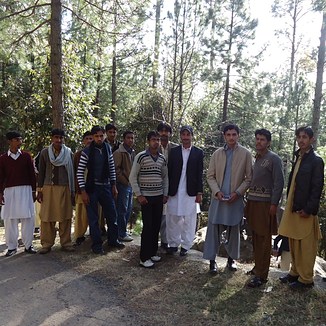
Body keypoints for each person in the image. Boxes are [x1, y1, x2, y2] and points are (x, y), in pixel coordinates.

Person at [278, 126, 324, 289]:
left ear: (311, 139)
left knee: (306, 244)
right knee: (294, 241)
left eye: (304, 137)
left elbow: (317, 187)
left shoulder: (316, 160)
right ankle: (295, 273)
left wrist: (309, 209)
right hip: (294, 206)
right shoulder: (299, 157)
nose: (301, 140)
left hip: (306, 210)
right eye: (299, 137)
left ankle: (306, 279)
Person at [203, 124, 252, 274]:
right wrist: (217, 192)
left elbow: (249, 178)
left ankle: (231, 260)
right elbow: (210, 176)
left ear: (238, 135)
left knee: (234, 229)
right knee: (213, 228)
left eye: (234, 134)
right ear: (224, 136)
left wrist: (237, 193)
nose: (231, 137)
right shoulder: (217, 154)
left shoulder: (245, 154)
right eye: (228, 134)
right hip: (218, 199)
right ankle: (212, 262)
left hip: (234, 198)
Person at [245, 129, 284, 287]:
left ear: (268, 142)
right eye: (257, 139)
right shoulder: (257, 158)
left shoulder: (273, 159)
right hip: (253, 202)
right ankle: (257, 268)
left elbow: (279, 182)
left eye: (262, 139)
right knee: (255, 237)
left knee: (264, 239)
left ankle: (262, 276)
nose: (258, 141)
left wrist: (274, 204)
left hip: (265, 204)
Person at [77, 125, 125, 254]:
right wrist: (83, 191)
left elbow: (111, 168)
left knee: (112, 214)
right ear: (92, 137)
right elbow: (80, 173)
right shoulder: (86, 152)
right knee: (93, 218)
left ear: (104, 136)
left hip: (106, 186)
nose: (99, 138)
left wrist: (114, 185)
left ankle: (113, 240)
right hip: (92, 188)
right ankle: (97, 245)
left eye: (101, 136)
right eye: (96, 136)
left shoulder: (107, 149)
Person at [129, 131, 168, 268]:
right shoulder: (141, 157)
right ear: (148, 141)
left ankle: (152, 253)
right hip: (146, 198)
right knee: (148, 227)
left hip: (158, 197)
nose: (156, 142)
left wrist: (165, 193)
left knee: (156, 226)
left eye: (158, 139)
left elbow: (165, 177)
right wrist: (139, 195)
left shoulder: (162, 158)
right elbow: (132, 177)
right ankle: (143, 257)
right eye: (153, 139)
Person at [166, 125, 204, 257]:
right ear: (180, 136)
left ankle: (186, 245)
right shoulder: (174, 151)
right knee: (173, 217)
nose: (186, 137)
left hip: (191, 191)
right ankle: (173, 244)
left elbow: (200, 174)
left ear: (192, 136)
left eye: (188, 135)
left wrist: (199, 192)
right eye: (183, 134)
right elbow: (169, 172)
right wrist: (166, 191)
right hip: (175, 190)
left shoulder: (198, 152)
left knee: (189, 219)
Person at [37, 129, 75, 254]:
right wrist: (40, 190)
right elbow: (41, 172)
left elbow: (72, 172)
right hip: (48, 188)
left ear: (64, 139)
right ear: (52, 138)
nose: (58, 140)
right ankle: (46, 244)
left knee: (65, 217)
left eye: (61, 138)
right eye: (56, 137)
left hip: (65, 188)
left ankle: (66, 243)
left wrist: (73, 191)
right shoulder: (44, 153)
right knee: (47, 217)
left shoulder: (68, 153)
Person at [0, 131, 37, 256]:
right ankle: (11, 247)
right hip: (9, 192)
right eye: (17, 139)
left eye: (20, 139)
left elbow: (32, 175)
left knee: (28, 217)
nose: (19, 142)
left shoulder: (26, 156)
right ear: (10, 141)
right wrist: (1, 193)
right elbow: (0, 178)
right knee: (10, 219)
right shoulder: (3, 159)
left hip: (26, 190)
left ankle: (28, 245)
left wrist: (33, 190)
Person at [157, 122, 178, 250]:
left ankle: (167, 241)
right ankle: (157, 240)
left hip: (172, 187)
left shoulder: (175, 149)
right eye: (161, 131)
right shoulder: (153, 148)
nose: (164, 134)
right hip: (156, 186)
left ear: (170, 133)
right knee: (158, 214)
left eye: (166, 131)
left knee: (170, 215)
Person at [113, 130, 136, 242]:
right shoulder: (119, 152)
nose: (130, 140)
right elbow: (116, 170)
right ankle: (120, 233)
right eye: (128, 138)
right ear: (124, 139)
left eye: (132, 138)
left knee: (128, 209)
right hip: (122, 185)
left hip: (130, 185)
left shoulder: (132, 152)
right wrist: (125, 181)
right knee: (122, 209)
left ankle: (123, 231)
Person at [73, 131, 93, 246]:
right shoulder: (78, 155)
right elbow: (76, 172)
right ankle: (80, 235)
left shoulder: (97, 152)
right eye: (87, 138)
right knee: (81, 214)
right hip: (82, 189)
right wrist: (78, 189)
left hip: (95, 189)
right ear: (83, 141)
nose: (89, 141)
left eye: (91, 138)